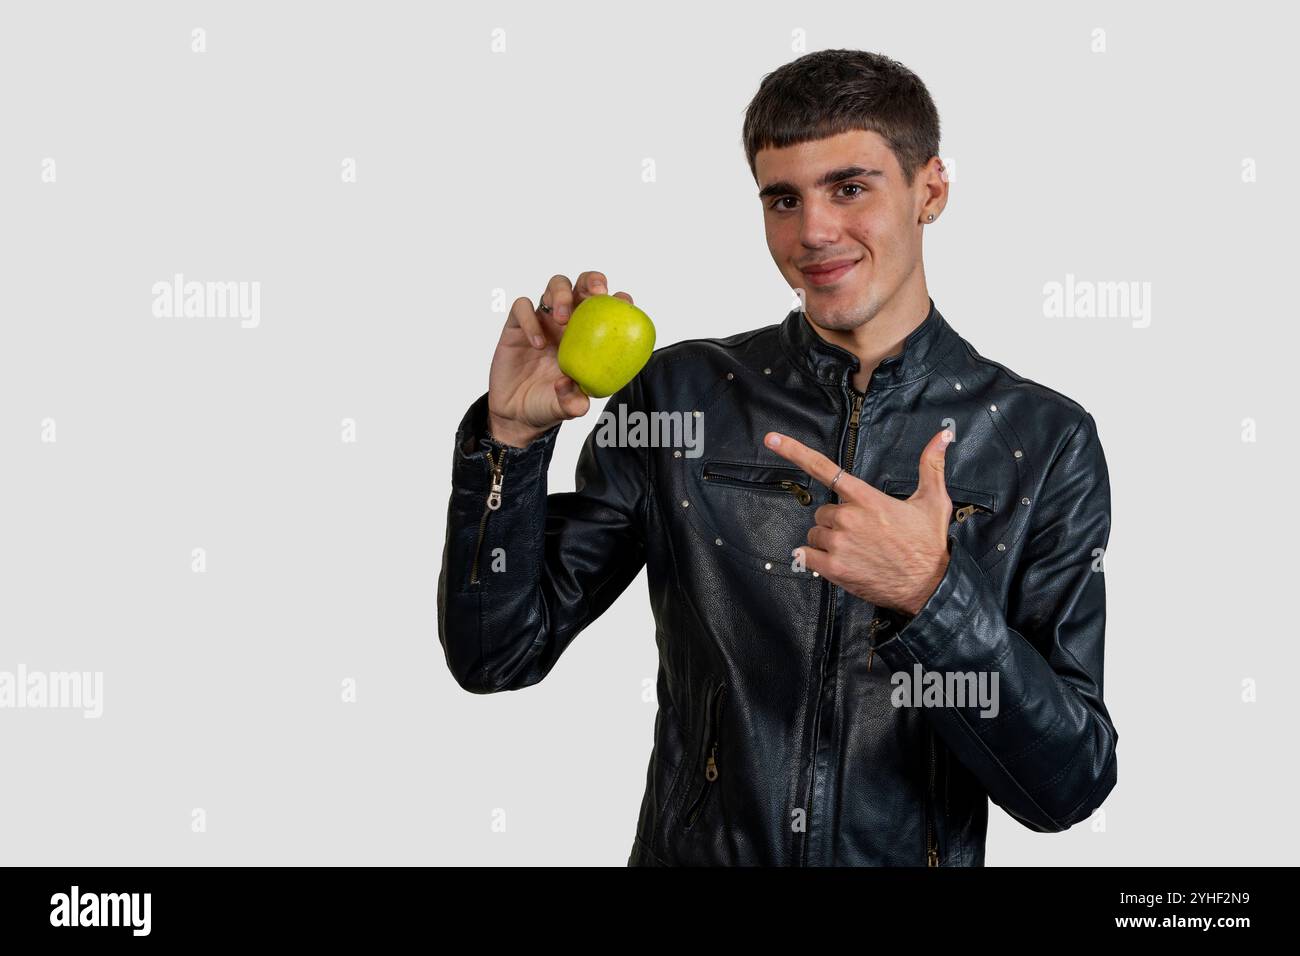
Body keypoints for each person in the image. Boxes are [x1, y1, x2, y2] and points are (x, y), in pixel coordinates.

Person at [437, 49, 1117, 866]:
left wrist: (930, 597)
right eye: (783, 199)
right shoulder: (679, 396)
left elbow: (1068, 785)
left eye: (850, 188)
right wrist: (510, 446)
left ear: (930, 190)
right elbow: (496, 654)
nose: (814, 232)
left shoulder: (1043, 441)